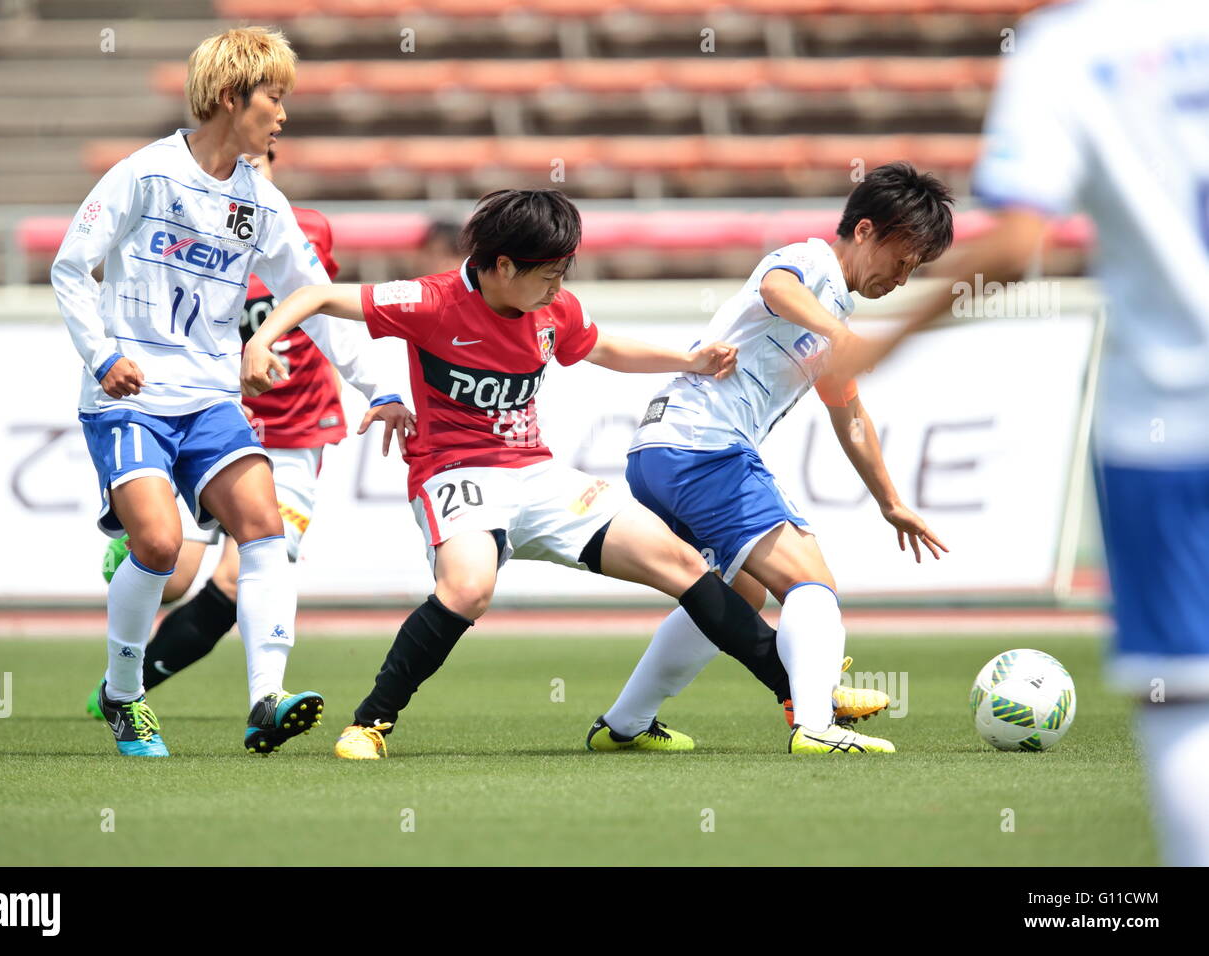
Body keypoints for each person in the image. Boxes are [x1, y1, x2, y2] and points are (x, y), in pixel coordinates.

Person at [826, 0, 1209, 862]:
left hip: (1172, 424)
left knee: (1185, 699)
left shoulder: (1070, 49)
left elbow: (1014, 248)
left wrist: (886, 343)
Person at [243, 188, 818, 760]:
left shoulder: (553, 307)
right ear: (501, 266)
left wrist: (689, 360)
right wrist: (262, 341)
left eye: (564, 272)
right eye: (548, 274)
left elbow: (605, 348)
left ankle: (800, 696)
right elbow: (315, 294)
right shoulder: (431, 300)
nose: (558, 287)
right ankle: (369, 723)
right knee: (468, 589)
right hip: (454, 472)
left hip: (536, 473)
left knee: (683, 563)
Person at [52, 26, 411, 756]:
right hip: (130, 397)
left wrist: (379, 385)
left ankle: (264, 701)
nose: (282, 115)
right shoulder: (142, 175)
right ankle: (124, 695)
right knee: (157, 543)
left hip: (210, 400)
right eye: (273, 98)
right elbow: (69, 267)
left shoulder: (262, 205)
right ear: (229, 97)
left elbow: (316, 299)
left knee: (263, 530)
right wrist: (104, 356)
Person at [588, 162, 952, 756]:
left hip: (663, 451)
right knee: (809, 578)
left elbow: (848, 413)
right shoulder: (808, 263)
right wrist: (838, 334)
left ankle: (624, 724)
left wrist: (892, 503)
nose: (905, 278)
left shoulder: (833, 311)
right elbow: (774, 289)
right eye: (904, 258)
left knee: (739, 597)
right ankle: (814, 722)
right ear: (864, 231)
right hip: (702, 447)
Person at [89, 147, 405, 717]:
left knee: (247, 571)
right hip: (211, 410)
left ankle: (212, 697)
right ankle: (126, 651)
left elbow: (322, 307)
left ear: (276, 162)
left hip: (294, 432)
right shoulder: (181, 218)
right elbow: (100, 269)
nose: (245, 171)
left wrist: (376, 385)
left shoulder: (296, 227)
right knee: (173, 573)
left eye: (257, 161)